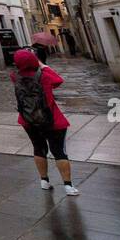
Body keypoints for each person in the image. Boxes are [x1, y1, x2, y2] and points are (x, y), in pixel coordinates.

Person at [11, 48, 78, 195]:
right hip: (52, 120)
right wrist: (41, 64)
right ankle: (68, 186)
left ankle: (44, 181)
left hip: (28, 119)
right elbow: (58, 80)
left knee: (38, 148)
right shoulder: (45, 76)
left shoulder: (15, 77)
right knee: (59, 151)